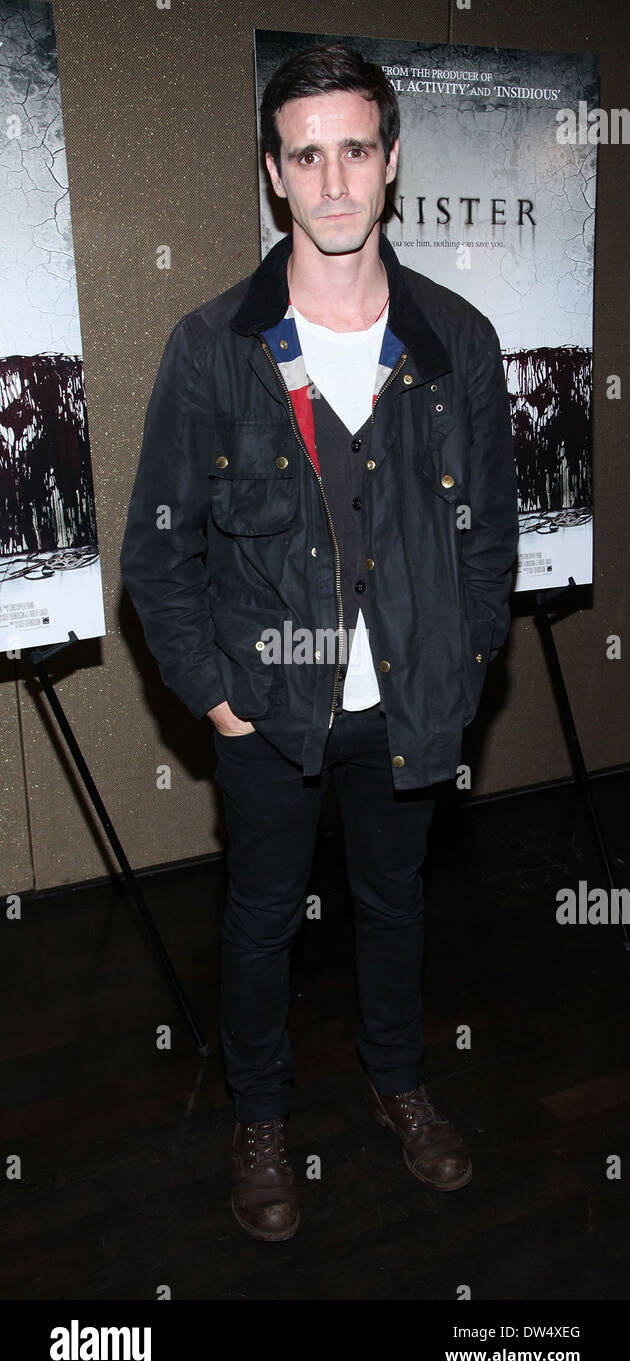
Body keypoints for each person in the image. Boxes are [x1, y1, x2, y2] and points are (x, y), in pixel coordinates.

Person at [120, 42, 519, 1243]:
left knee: (395, 907)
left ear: (392, 163)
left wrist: (466, 659)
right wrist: (215, 696)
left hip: (411, 706)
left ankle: (398, 1078)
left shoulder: (459, 342)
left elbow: (493, 539)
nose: (335, 180)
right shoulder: (212, 348)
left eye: (357, 149)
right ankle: (260, 1117)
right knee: (259, 918)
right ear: (275, 174)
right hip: (269, 708)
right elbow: (156, 552)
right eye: (308, 155)